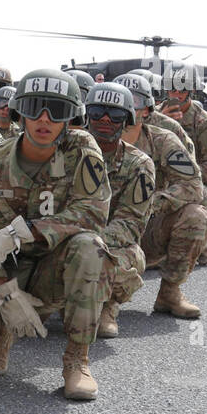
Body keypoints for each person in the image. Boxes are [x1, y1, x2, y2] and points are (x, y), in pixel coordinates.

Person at [0, 68, 111, 400]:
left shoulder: (81, 150)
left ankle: (77, 359)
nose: (44, 119)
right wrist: (5, 291)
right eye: (35, 107)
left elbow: (93, 211)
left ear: (71, 118)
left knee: (90, 248)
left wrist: (23, 232)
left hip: (54, 265)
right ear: (19, 112)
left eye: (57, 110)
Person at [119, 78, 206, 319]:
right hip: (104, 230)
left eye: (133, 102)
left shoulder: (163, 139)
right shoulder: (92, 138)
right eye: (120, 101)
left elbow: (192, 185)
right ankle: (100, 304)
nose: (125, 108)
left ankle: (170, 292)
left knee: (194, 216)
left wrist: (148, 205)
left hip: (147, 228)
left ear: (147, 109)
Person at [83, 84, 155, 338]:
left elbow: (131, 223)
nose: (104, 119)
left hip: (106, 243)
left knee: (131, 257)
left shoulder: (139, 165)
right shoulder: (64, 152)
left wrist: (89, 241)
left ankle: (107, 306)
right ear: (85, 115)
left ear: (127, 119)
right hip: (60, 235)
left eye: (114, 115)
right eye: (97, 112)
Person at [159, 65, 207, 266]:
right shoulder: (154, 115)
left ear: (191, 91)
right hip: (159, 178)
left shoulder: (205, 123)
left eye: (181, 90)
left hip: (192, 181)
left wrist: (185, 179)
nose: (176, 95)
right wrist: (163, 124)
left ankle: (195, 239)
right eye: (172, 90)